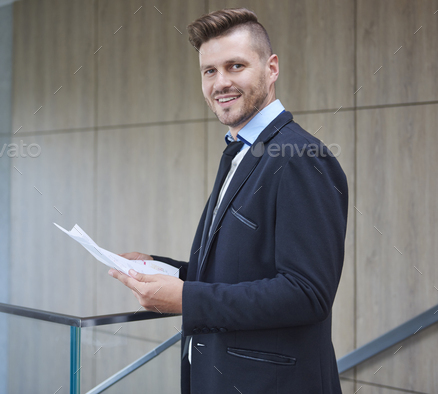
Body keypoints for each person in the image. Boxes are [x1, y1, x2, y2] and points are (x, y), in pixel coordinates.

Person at [108, 8, 348, 394]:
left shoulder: (302, 157)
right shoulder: (242, 152)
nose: (221, 82)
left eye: (235, 66)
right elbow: (245, 270)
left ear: (271, 69)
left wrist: (187, 298)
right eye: (209, 71)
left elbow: (307, 293)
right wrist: (169, 272)